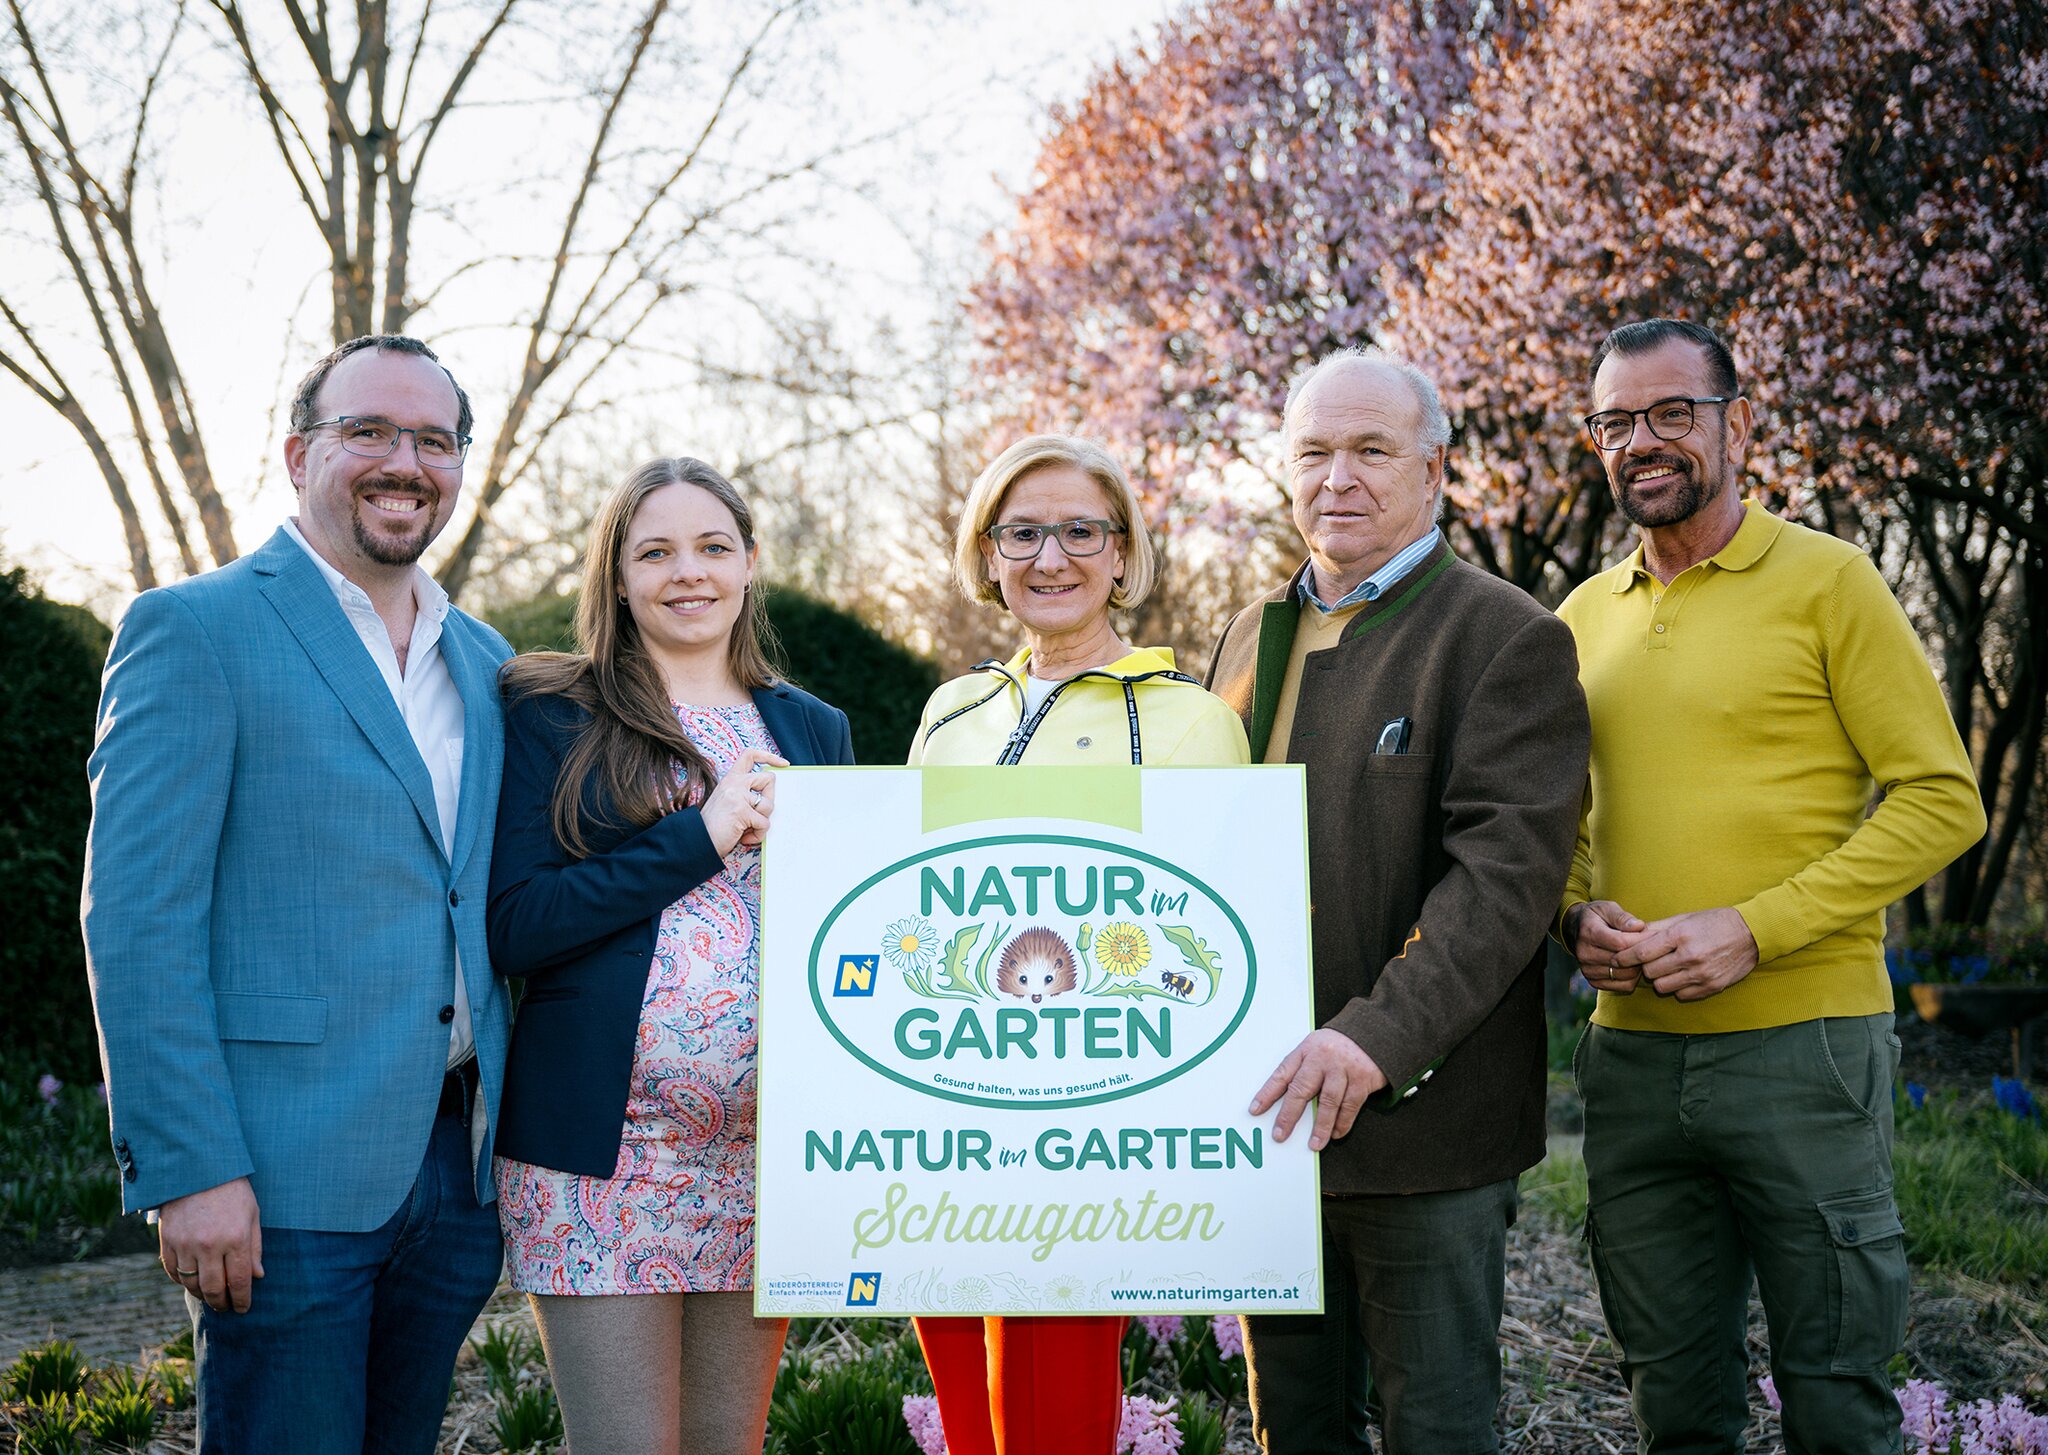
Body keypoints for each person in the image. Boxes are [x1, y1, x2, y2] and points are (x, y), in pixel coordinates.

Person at [80, 335, 513, 1453]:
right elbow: (136, 923)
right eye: (367, 430)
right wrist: (191, 1170)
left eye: (433, 439)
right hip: (279, 1184)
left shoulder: (487, 660)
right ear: (297, 453)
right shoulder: (194, 630)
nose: (403, 462)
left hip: (456, 1179)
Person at [1559, 319, 1985, 1455]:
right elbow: (1560, 826)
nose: (1639, 441)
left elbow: (1943, 800)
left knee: (1837, 1399)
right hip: (1631, 1061)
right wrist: (1573, 914)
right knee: (1672, 1404)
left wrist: (1755, 929)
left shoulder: (1829, 582)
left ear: (1734, 424)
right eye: (1613, 422)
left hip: (1805, 1054)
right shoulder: (1576, 621)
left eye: (1669, 414)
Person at [1203, 347, 1590, 1455]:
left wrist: (1370, 1041)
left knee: (1436, 1430)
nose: (1339, 478)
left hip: (1423, 1130)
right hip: (1268, 1120)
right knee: (1295, 1429)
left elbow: (1503, 881)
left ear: (1433, 471)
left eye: (1370, 451)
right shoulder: (1241, 637)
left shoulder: (1504, 635)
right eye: (1313, 453)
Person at [487, 456, 852, 1455]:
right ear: (616, 576)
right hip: (602, 1160)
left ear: (748, 563)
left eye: (710, 547)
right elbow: (516, 923)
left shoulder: (815, 729)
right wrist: (700, 833)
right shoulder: (552, 712)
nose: (685, 572)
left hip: (764, 1161)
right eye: (654, 551)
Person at [907, 433, 1250, 1455]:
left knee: (1052, 1417)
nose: (1048, 557)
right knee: (970, 1413)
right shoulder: (949, 712)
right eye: (1020, 532)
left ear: (1119, 554)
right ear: (987, 553)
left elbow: (1218, 931)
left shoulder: (1188, 722)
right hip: (948, 1114)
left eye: (1077, 531)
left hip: (1091, 1124)